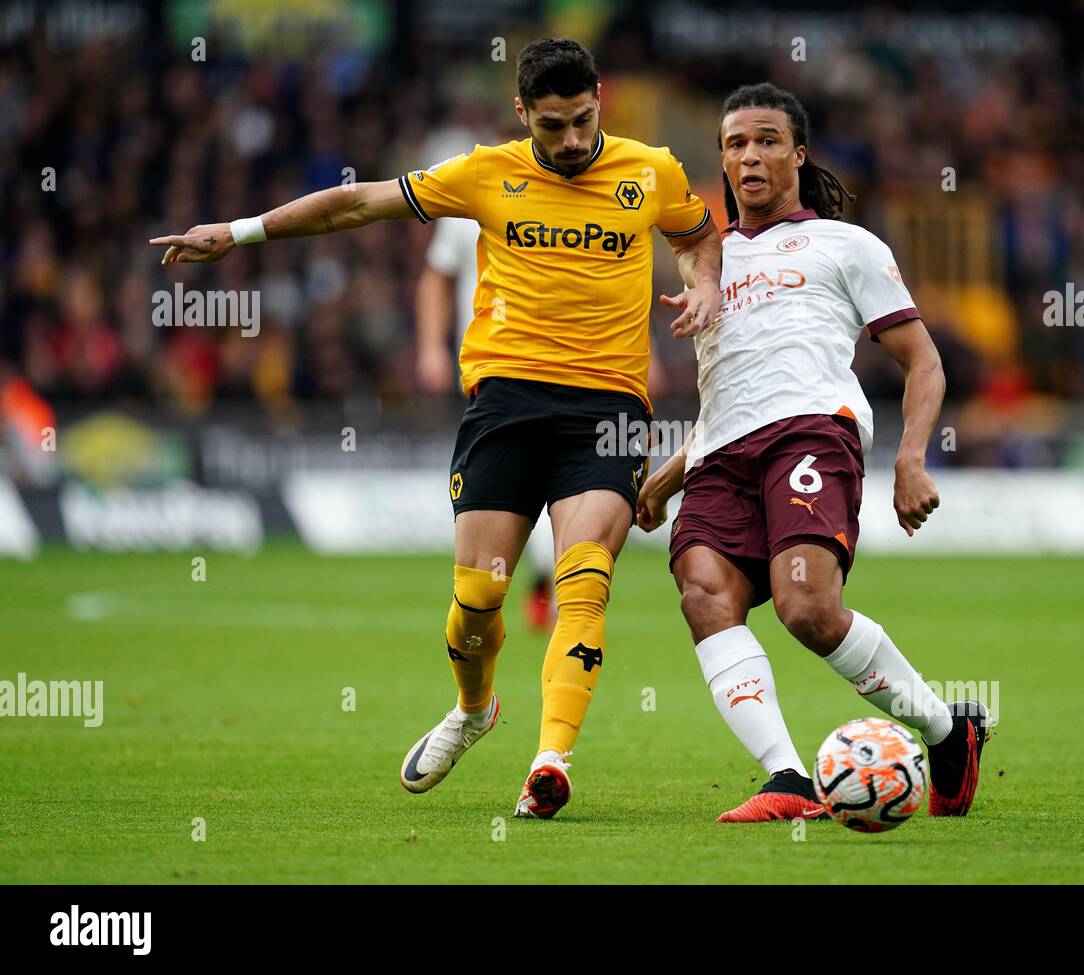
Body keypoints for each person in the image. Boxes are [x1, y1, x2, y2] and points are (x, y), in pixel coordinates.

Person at [151, 38, 721, 819]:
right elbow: (356, 203)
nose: (570, 142)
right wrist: (241, 231)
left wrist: (707, 285)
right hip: (505, 407)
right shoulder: (484, 173)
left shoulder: (651, 169)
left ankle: (551, 759)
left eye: (583, 121)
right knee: (478, 595)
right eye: (552, 127)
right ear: (523, 114)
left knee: (583, 580)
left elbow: (697, 238)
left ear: (600, 100)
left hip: (608, 409)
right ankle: (475, 708)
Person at [635, 83, 986, 823]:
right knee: (703, 594)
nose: (749, 155)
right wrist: (667, 480)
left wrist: (912, 458)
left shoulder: (848, 245)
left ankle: (947, 731)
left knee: (807, 609)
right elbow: (728, 394)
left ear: (797, 153)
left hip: (809, 435)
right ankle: (789, 780)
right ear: (722, 161)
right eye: (734, 143)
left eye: (765, 140)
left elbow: (924, 361)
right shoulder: (707, 261)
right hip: (720, 456)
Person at [415, 214, 558, 632]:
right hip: (489, 377)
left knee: (556, 480)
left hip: (561, 372)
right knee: (504, 487)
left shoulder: (571, 190)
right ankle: (520, 586)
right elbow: (436, 277)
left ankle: (545, 583)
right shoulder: (470, 194)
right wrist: (430, 348)